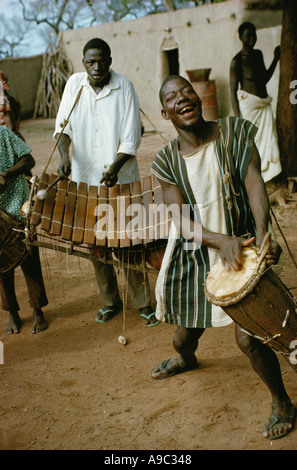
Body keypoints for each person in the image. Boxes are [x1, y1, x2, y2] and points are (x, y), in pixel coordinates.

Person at [150, 75, 295, 440]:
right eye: (172, 97)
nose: (183, 98)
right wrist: (219, 241)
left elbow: (253, 182)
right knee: (182, 339)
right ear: (165, 112)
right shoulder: (165, 161)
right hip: (196, 257)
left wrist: (261, 234)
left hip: (242, 250)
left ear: (198, 98)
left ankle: (282, 403)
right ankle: (187, 358)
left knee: (249, 340)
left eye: (187, 91)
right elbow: (181, 222)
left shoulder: (233, 131)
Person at [54, 38, 158, 327]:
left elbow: (131, 137)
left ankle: (143, 303)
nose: (96, 67)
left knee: (129, 242)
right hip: (86, 180)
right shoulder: (74, 85)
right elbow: (63, 128)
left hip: (121, 179)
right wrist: (65, 156)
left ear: (110, 59)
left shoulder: (124, 86)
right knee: (96, 244)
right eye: (90, 61)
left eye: (101, 60)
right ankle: (110, 301)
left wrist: (114, 167)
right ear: (83, 62)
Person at [0, 126, 48, 334]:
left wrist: (6, 173)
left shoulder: (3, 133)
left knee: (29, 256)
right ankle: (12, 312)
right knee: (1, 265)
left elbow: (29, 160)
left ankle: (38, 309)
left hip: (18, 206)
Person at [230, 22, 282, 183]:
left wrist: (275, 59)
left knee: (269, 141)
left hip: (263, 105)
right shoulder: (236, 61)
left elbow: (264, 78)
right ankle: (257, 180)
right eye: (247, 35)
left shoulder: (258, 55)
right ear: (240, 38)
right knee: (254, 143)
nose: (252, 38)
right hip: (249, 108)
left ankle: (272, 179)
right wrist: (238, 117)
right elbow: (232, 92)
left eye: (254, 34)